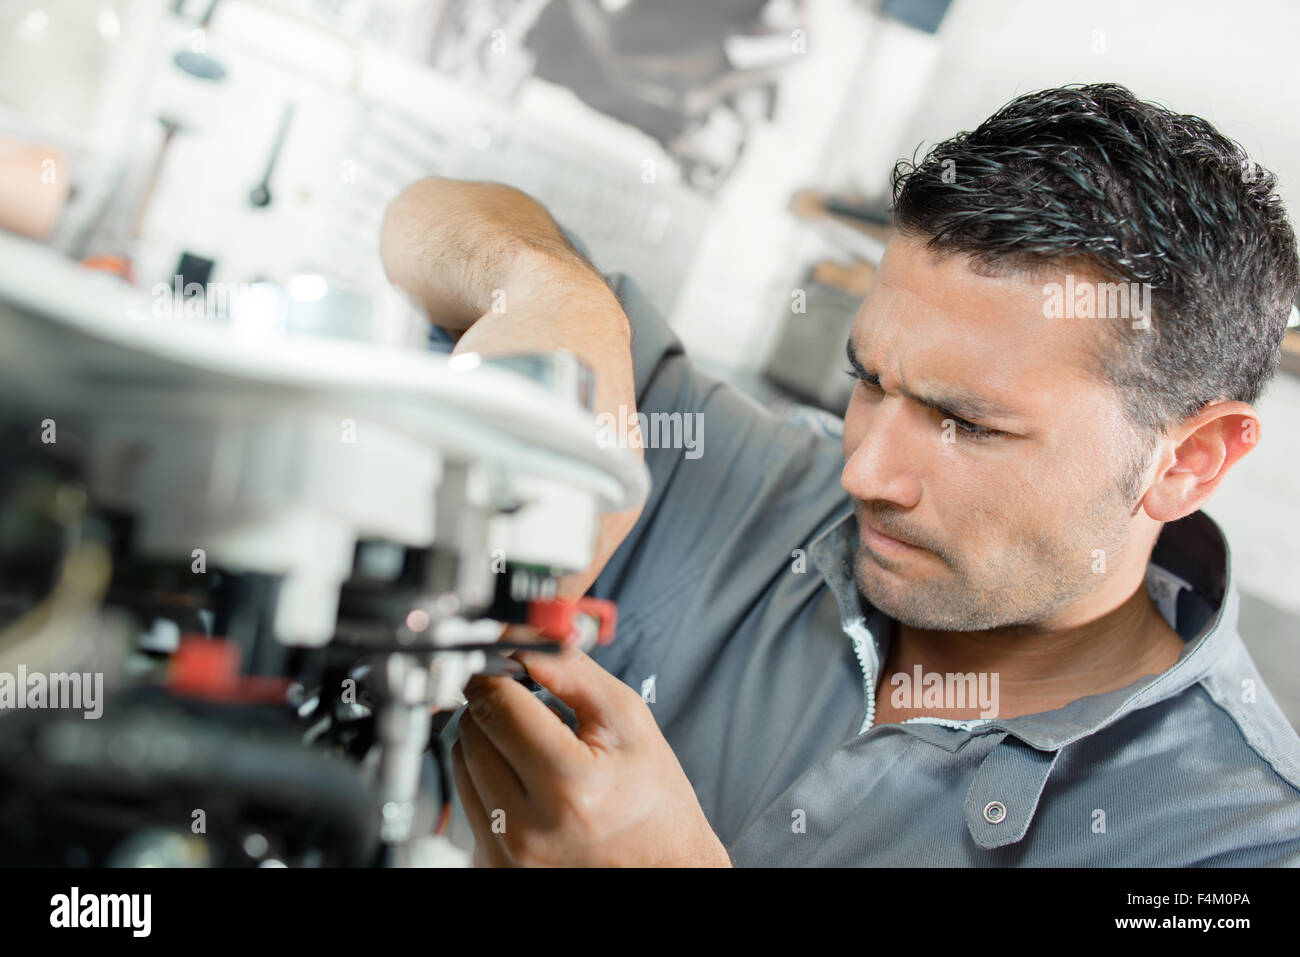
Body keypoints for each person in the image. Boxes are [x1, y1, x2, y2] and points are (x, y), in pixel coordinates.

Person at [380, 83, 1300, 866]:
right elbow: (429, 218)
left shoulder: (1234, 847)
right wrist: (556, 297)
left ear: (1188, 459)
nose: (866, 472)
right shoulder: (748, 476)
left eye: (966, 422)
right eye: (869, 379)